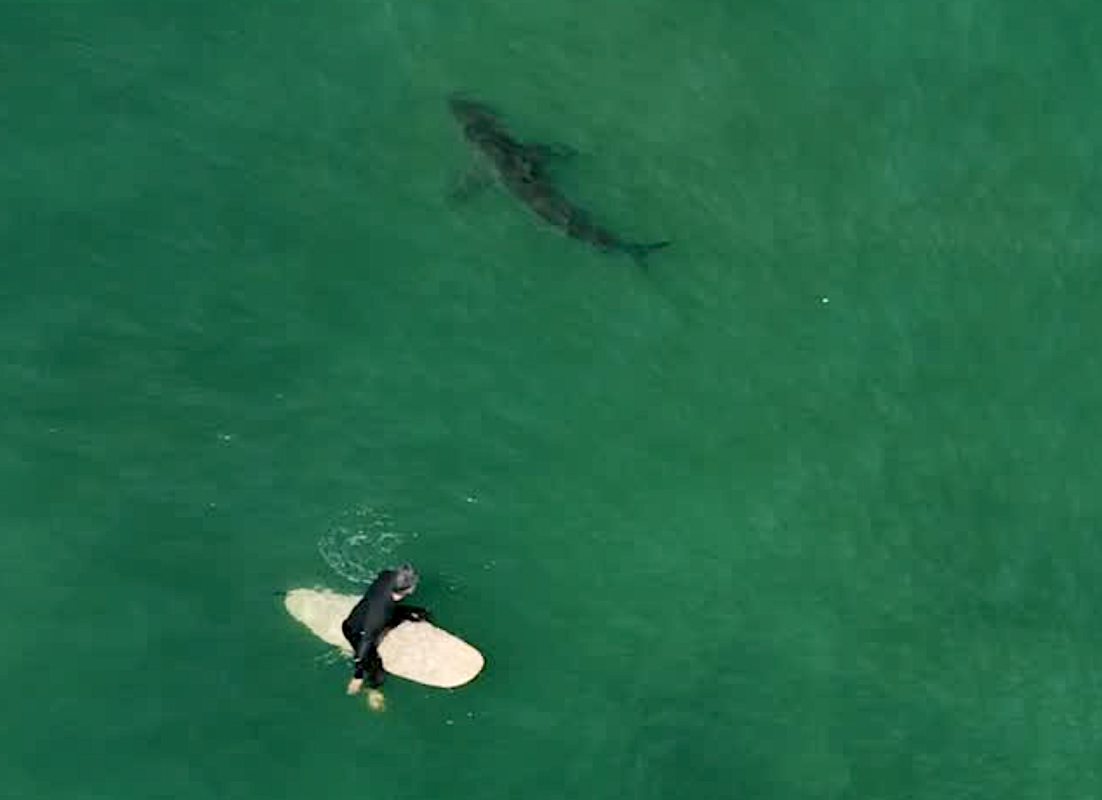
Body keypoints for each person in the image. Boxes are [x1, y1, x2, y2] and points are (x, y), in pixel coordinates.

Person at [341, 564, 430, 705]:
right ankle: (372, 690)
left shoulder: (388, 575)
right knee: (379, 674)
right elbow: (365, 642)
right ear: (408, 589)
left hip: (372, 609)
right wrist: (358, 675)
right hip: (356, 631)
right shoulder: (379, 616)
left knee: (421, 614)